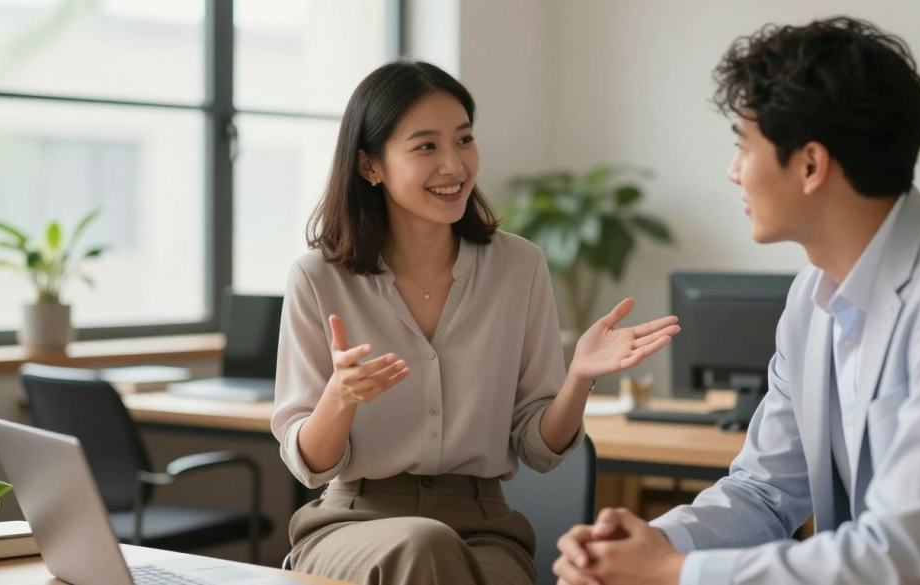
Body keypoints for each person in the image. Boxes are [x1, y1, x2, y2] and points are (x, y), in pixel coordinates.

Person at [554, 16, 920, 585]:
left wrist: (674, 571)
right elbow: (765, 492)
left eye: (742, 148)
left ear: (809, 165)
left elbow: (903, 557)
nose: (732, 173)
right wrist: (650, 542)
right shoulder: (810, 296)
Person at [270, 60, 680, 585]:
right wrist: (341, 398)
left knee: (442, 555)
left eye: (464, 140)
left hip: (485, 529)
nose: (454, 165)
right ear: (371, 166)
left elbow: (539, 447)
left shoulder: (519, 266)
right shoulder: (318, 278)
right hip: (351, 523)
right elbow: (311, 462)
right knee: (424, 546)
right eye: (426, 147)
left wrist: (578, 376)